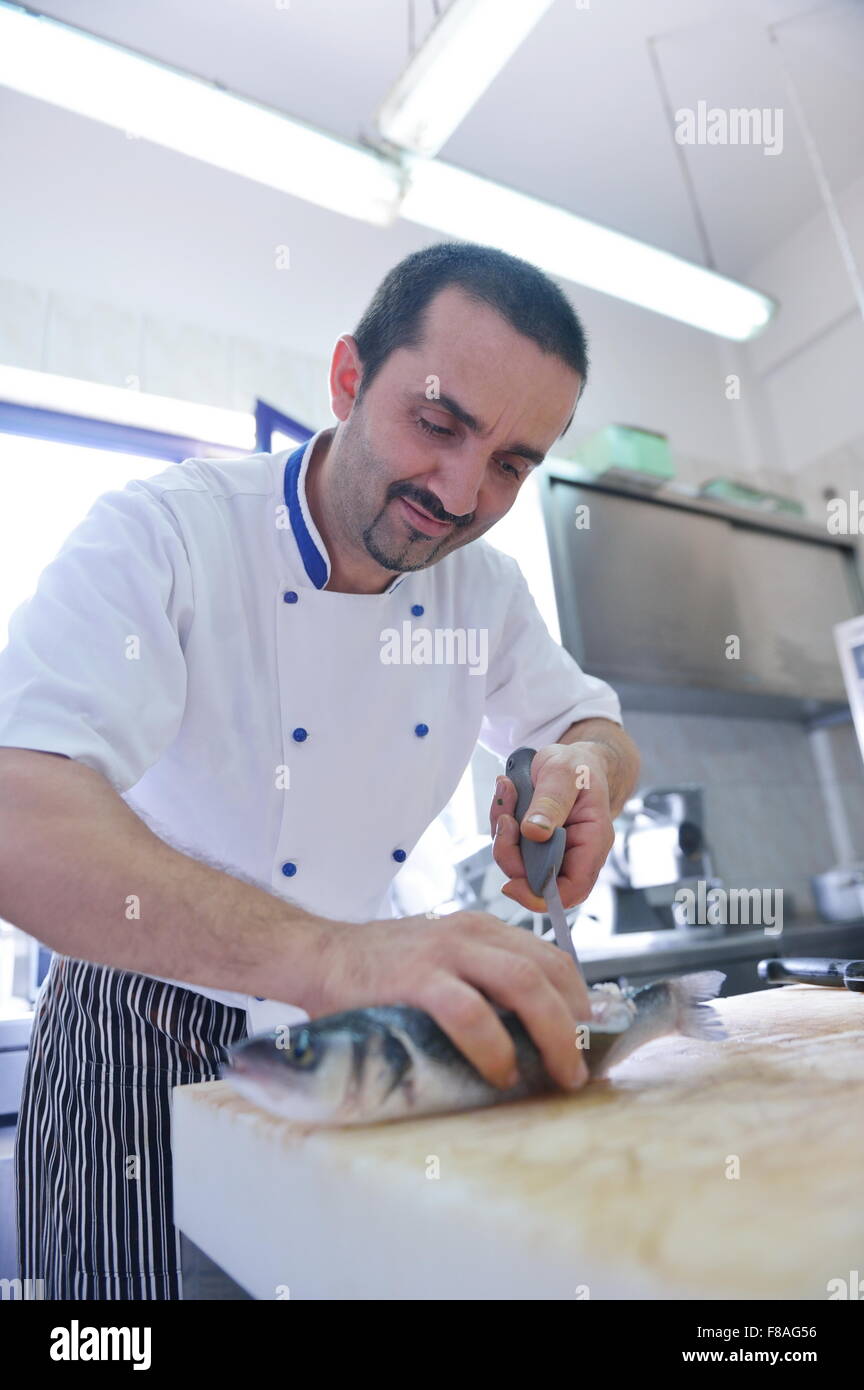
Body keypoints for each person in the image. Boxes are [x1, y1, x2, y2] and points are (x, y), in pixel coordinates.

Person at [0, 240, 639, 1299]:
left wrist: (583, 765)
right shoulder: (164, 535)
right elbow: (18, 812)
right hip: (135, 1037)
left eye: (515, 463)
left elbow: (593, 720)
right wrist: (339, 958)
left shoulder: (484, 592)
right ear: (347, 379)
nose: (461, 491)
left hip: (342, 1044)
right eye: (439, 425)